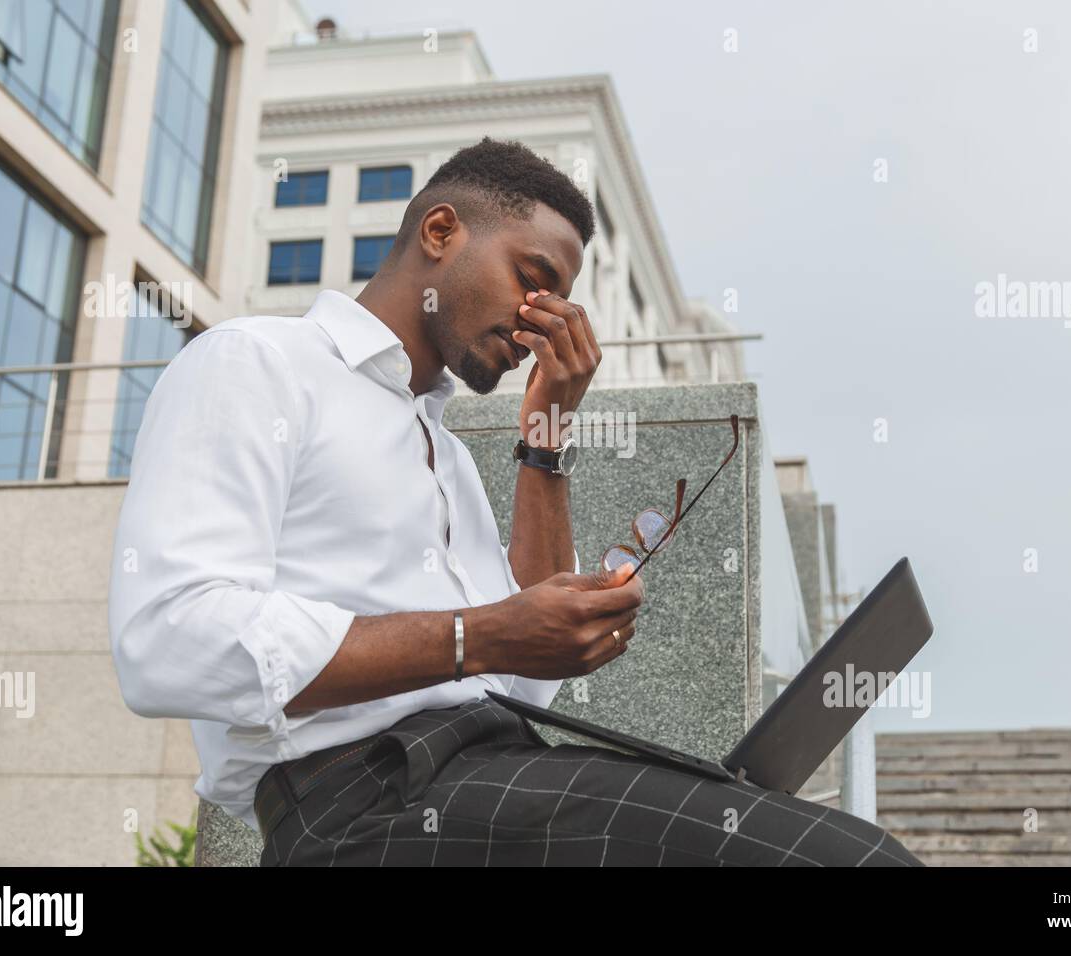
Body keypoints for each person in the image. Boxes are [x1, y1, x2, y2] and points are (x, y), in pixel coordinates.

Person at [107, 136, 923, 866]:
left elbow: (526, 681)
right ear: (440, 232)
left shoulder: (448, 456)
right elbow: (167, 639)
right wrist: (483, 633)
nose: (544, 319)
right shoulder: (257, 363)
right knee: (851, 860)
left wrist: (546, 437)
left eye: (562, 301)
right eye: (533, 281)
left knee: (784, 825)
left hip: (492, 769)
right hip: (364, 800)